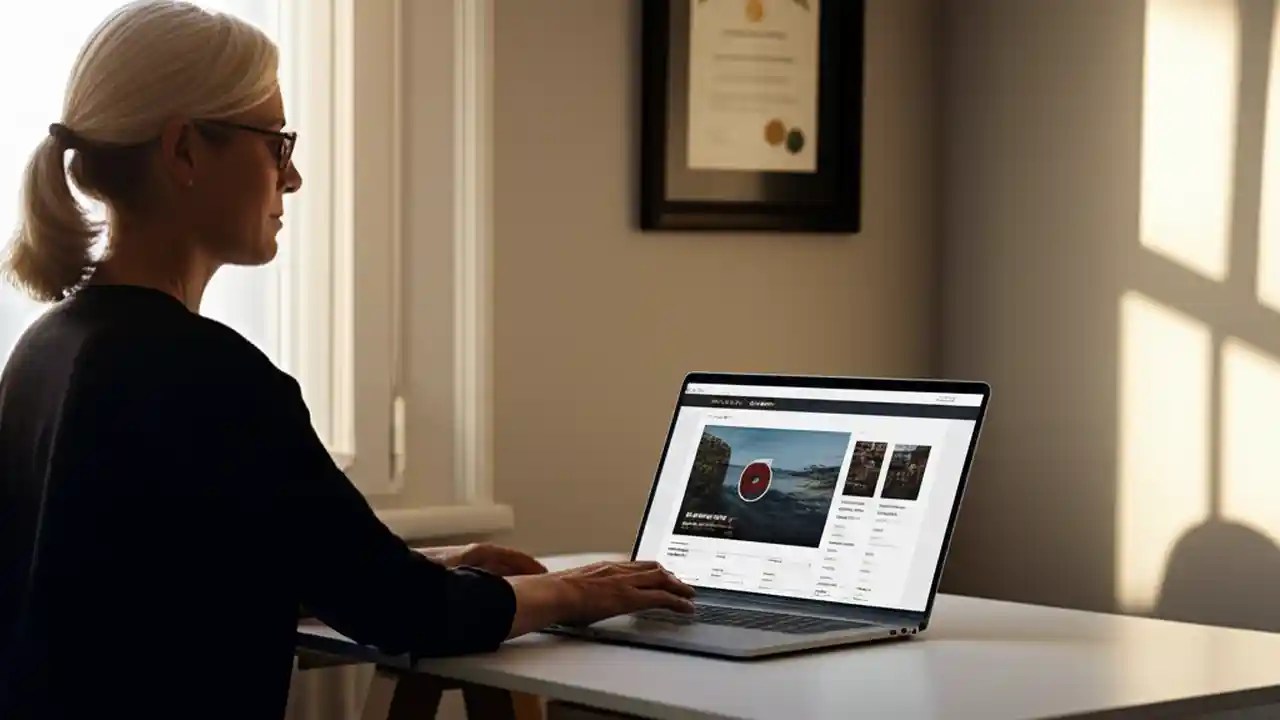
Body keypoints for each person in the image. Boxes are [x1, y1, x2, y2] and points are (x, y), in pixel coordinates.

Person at [0, 2, 694, 718]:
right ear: (184, 152)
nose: (291, 177)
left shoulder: (43, 352)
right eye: (276, 144)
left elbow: (167, 579)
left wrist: (434, 565)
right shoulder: (209, 376)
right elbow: (407, 613)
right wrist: (575, 589)